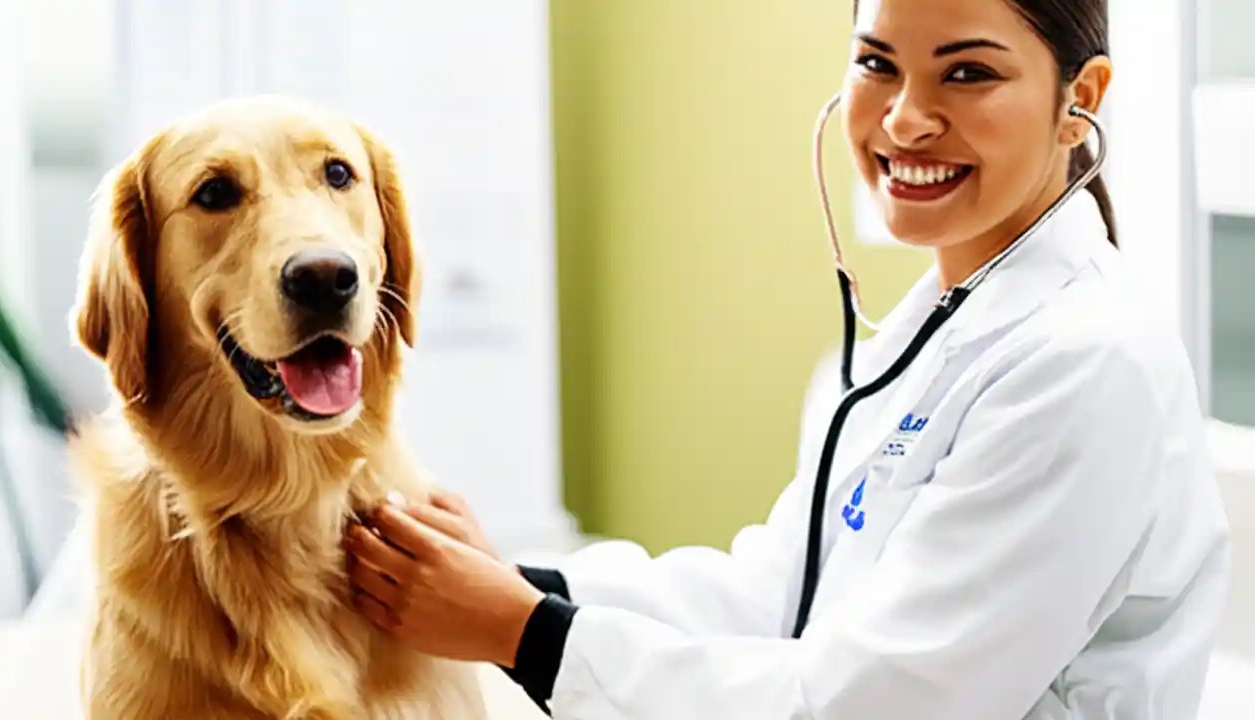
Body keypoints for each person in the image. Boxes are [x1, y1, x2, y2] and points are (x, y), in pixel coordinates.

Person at [343, 0, 1232, 717]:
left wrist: (526, 634)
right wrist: (521, 586)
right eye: (877, 63)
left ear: (1082, 98)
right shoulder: (927, 336)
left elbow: (877, 703)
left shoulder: (1086, 366)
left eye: (968, 72)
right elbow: (782, 595)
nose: (906, 118)